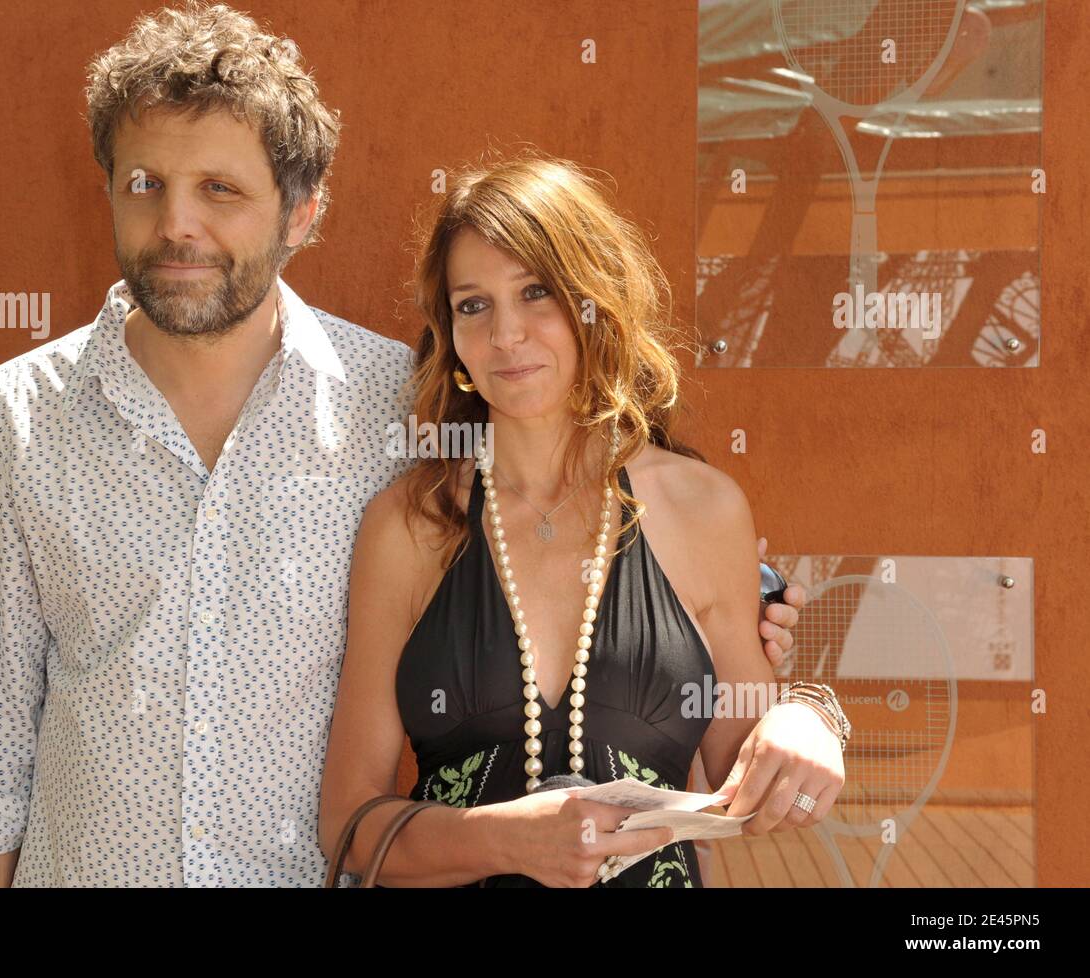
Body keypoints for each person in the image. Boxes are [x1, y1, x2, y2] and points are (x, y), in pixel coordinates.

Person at [0, 2, 806, 888]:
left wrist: (768, 639)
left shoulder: (399, 408)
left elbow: (615, 565)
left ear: (303, 212)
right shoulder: (20, 414)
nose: (175, 225)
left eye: (220, 189)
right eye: (144, 183)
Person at [318, 153, 845, 887]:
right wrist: (503, 842)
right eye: (473, 304)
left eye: (536, 293)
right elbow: (347, 826)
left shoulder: (704, 510)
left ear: (594, 301)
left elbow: (744, 780)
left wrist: (807, 723)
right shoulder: (409, 525)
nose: (506, 334)